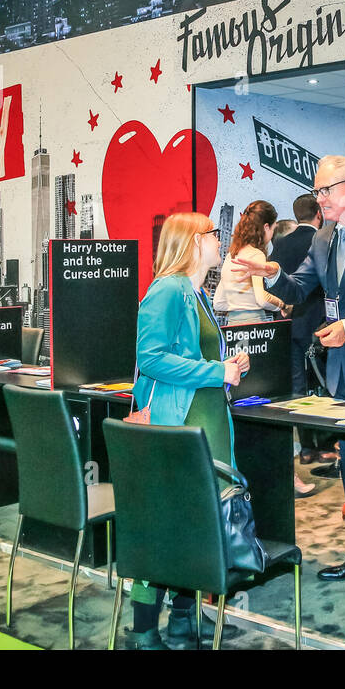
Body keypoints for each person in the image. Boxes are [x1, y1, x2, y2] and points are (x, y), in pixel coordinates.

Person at [233, 155, 345, 582]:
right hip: (343, 376)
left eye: (325, 190)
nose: (320, 198)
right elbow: (300, 287)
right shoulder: (323, 238)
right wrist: (272, 271)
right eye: (317, 191)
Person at [130, 212, 250, 649]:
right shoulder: (166, 290)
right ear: (192, 242)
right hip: (180, 423)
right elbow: (152, 359)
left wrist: (226, 369)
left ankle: (183, 619)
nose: (220, 239)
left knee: (195, 524)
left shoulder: (196, 292)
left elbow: (192, 358)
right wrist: (216, 370)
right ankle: (144, 630)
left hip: (204, 421)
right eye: (214, 234)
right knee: (168, 525)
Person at [270, 194, 337, 470]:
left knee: (300, 389)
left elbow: (282, 282)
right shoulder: (323, 241)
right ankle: (325, 447)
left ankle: (307, 448)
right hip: (324, 324)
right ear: (319, 214)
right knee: (325, 387)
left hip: (294, 323)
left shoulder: (281, 244)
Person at [212, 200, 285, 325]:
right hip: (254, 327)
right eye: (273, 229)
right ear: (266, 227)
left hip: (232, 326)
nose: (272, 234)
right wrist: (282, 305)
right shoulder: (257, 255)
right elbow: (261, 299)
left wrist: (238, 305)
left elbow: (218, 303)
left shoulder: (231, 256)